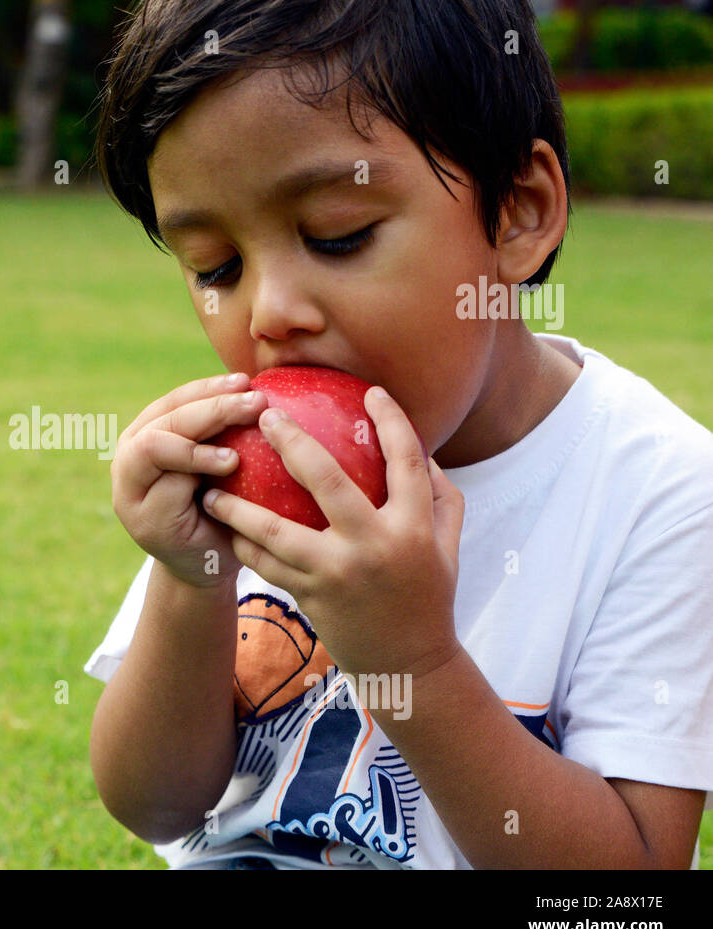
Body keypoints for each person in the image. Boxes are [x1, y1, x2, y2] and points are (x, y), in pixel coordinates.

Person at [85, 0, 713, 869]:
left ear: (519, 213)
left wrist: (411, 661)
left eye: (337, 237)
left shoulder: (659, 491)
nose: (271, 313)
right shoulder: (243, 474)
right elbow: (152, 802)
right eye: (216, 268)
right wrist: (188, 577)